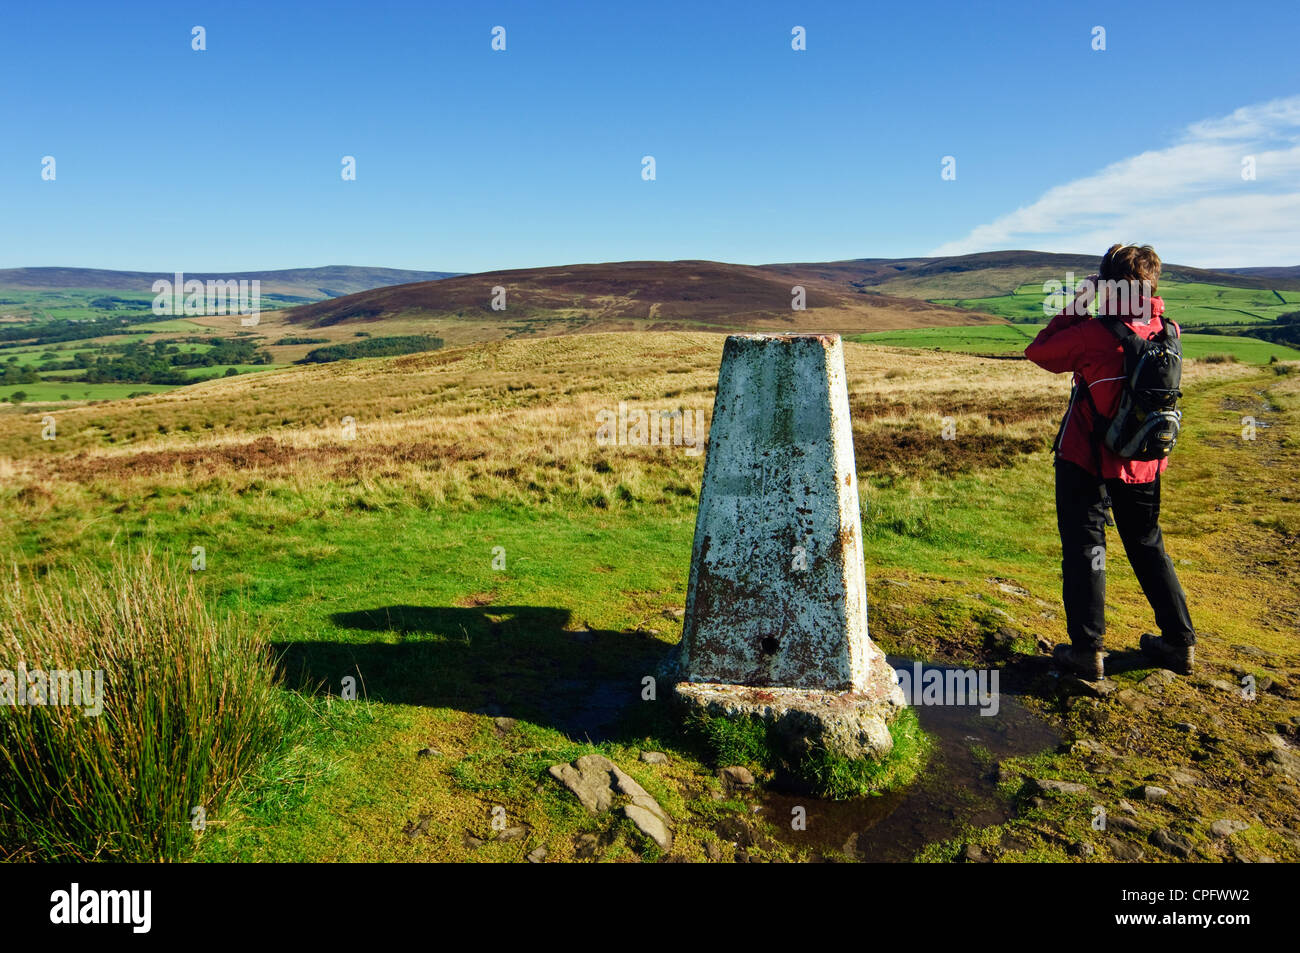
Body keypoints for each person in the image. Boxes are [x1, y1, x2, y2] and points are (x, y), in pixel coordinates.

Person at [1025, 244, 1196, 680]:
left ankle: (1087, 652)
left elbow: (1039, 351)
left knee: (1086, 549)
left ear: (1108, 285)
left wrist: (1079, 303)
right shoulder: (1168, 329)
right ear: (1153, 284)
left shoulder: (1095, 333)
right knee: (1147, 543)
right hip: (1144, 459)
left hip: (1087, 457)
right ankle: (1179, 642)